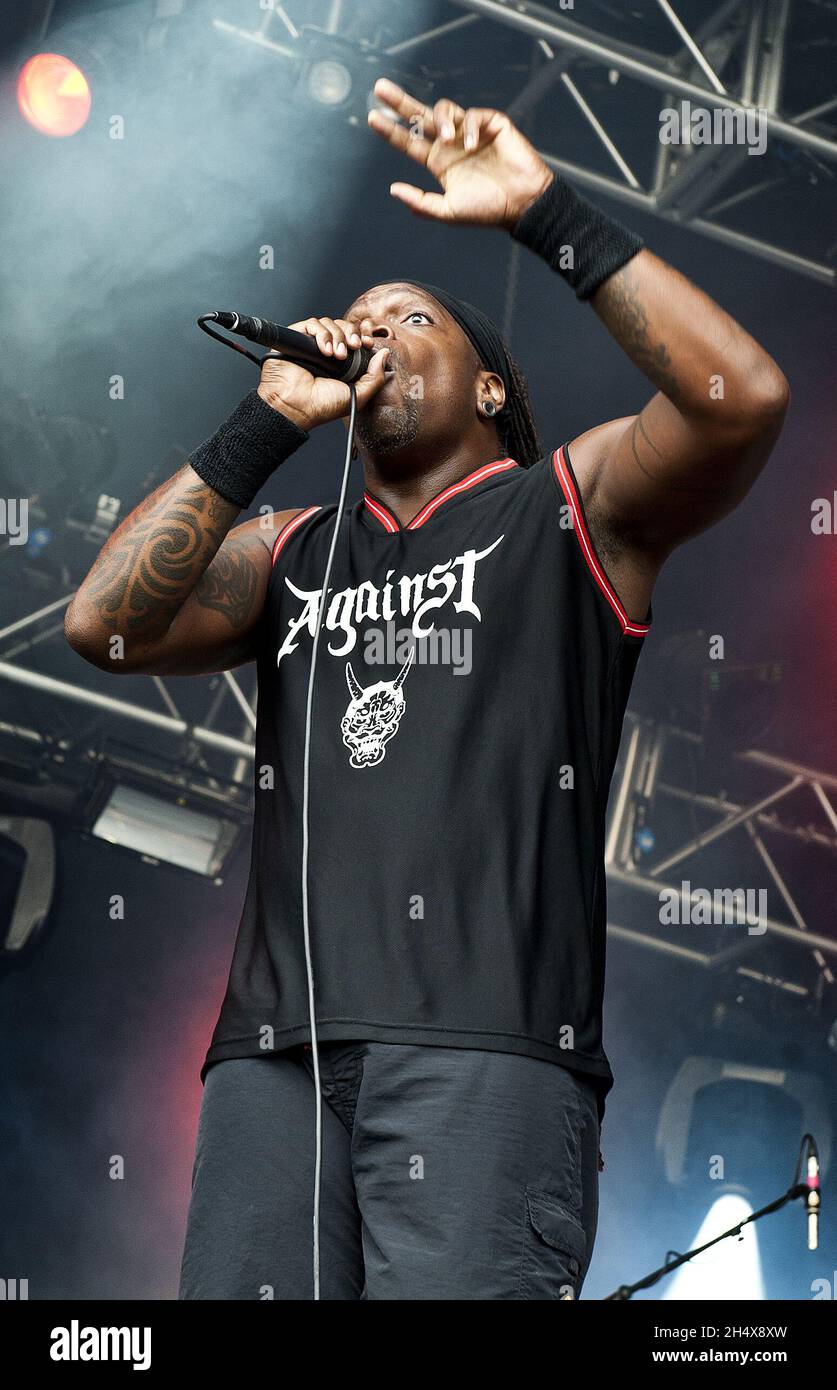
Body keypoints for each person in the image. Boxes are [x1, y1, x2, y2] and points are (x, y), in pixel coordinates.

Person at [64, 77, 789, 1300]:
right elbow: (102, 625)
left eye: (410, 321)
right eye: (360, 318)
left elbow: (740, 403)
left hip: (484, 1052)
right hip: (274, 1059)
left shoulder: (565, 507)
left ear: (490, 386)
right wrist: (264, 421)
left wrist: (545, 212)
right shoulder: (297, 544)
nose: (372, 332)